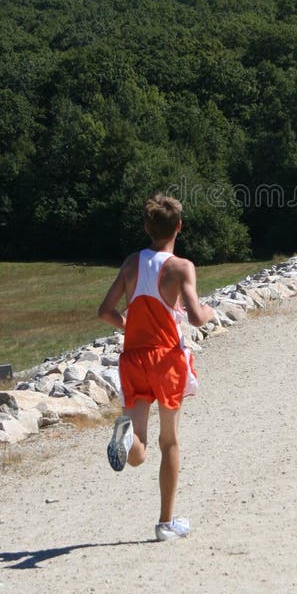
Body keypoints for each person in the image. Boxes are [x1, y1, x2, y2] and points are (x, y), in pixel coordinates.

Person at [97, 193, 215, 541]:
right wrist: (209, 311)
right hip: (167, 360)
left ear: (147, 227)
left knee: (139, 450)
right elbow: (194, 316)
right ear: (178, 227)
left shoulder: (132, 263)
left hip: (134, 358)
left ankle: (126, 437)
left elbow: (105, 311)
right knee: (170, 442)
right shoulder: (181, 268)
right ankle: (165, 523)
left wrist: (129, 326)